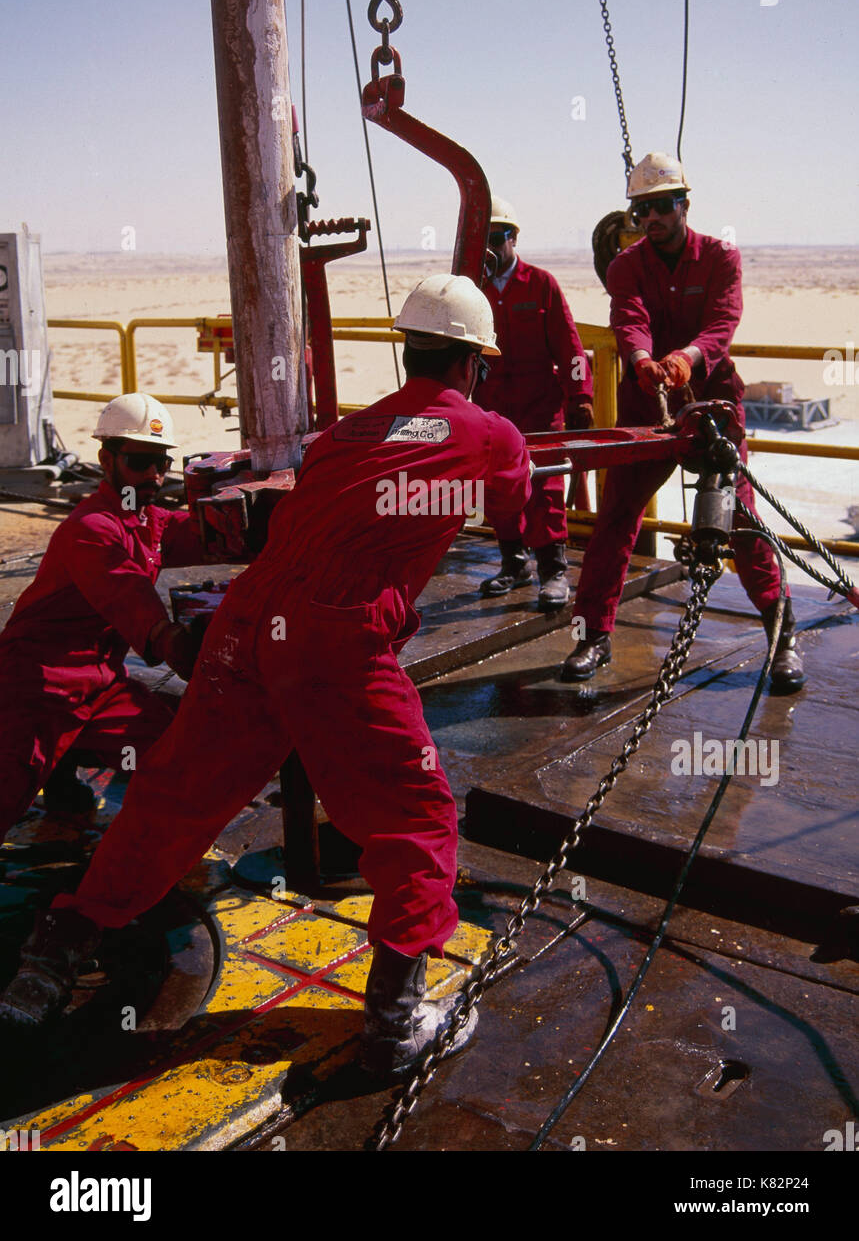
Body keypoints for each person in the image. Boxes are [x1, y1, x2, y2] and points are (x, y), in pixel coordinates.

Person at [0, 276, 532, 1081]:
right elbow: (513, 497)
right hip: (334, 638)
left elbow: (334, 499)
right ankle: (395, 1022)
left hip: (244, 628)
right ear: (473, 364)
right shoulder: (480, 428)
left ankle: (50, 959)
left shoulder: (348, 434)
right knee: (413, 819)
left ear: (407, 348)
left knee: (172, 799)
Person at [562, 153, 804, 693]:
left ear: (684, 205)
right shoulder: (627, 267)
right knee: (617, 517)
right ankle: (592, 635)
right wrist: (644, 361)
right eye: (642, 208)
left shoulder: (721, 258)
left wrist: (687, 359)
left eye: (662, 206)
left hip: (713, 405)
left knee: (741, 522)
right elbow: (630, 320)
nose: (652, 217)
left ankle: (783, 635)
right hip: (648, 406)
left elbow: (723, 321)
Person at [0, 394, 206, 843]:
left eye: (161, 463)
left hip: (98, 685)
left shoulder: (148, 522)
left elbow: (208, 536)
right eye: (139, 461)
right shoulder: (91, 528)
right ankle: (54, 768)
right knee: (8, 791)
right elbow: (131, 599)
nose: (153, 475)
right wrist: (175, 642)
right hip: (36, 686)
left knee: (167, 751)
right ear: (105, 460)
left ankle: (63, 770)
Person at [474, 196, 594, 610]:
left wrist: (581, 396)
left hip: (540, 404)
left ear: (513, 237)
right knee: (499, 486)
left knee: (545, 485)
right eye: (482, 240)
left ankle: (553, 571)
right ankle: (514, 563)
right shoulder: (473, 289)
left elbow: (571, 347)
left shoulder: (541, 283)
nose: (490, 248)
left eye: (496, 237)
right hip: (493, 407)